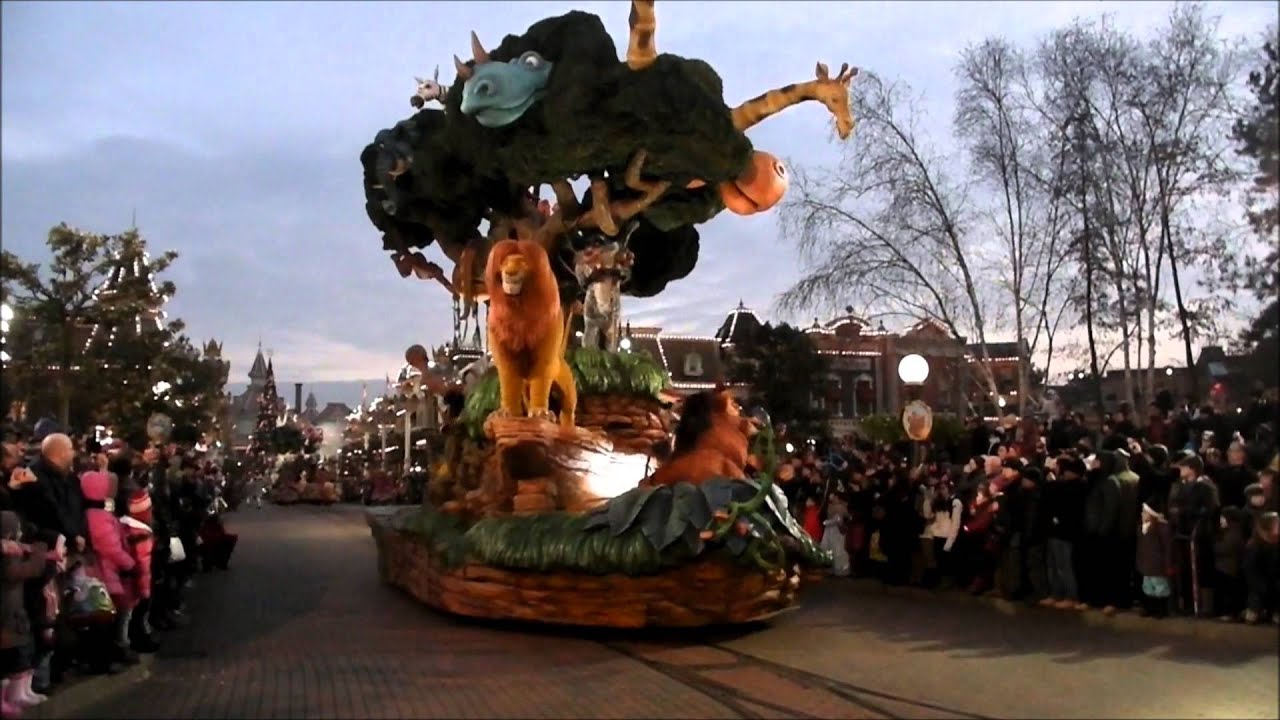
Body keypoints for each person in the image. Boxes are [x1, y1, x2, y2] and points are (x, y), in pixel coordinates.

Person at [79, 471, 139, 666]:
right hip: (107, 573)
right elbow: (109, 546)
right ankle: (108, 657)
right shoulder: (98, 517)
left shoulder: (94, 514)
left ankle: (109, 655)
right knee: (109, 617)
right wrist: (129, 563)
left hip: (105, 572)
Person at [1, 511, 50, 716]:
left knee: (20, 652)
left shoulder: (11, 551)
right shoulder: (7, 556)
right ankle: (8, 696)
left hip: (13, 611)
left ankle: (19, 692)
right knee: (9, 657)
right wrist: (39, 554)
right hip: (6, 614)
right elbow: (19, 572)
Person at [1135, 500, 1174, 618]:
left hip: (1158, 564)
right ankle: (1150, 608)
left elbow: (1168, 548)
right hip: (1146, 564)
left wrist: (1168, 564)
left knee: (1160, 587)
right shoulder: (1142, 528)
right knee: (1148, 587)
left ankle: (1161, 609)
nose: (1142, 514)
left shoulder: (1162, 528)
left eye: (1145, 512)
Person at [1242, 511, 1278, 624]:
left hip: (1274, 580)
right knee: (1258, 593)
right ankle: (1253, 611)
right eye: (1277, 523)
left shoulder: (1276, 544)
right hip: (1259, 582)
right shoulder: (1255, 546)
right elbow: (1250, 569)